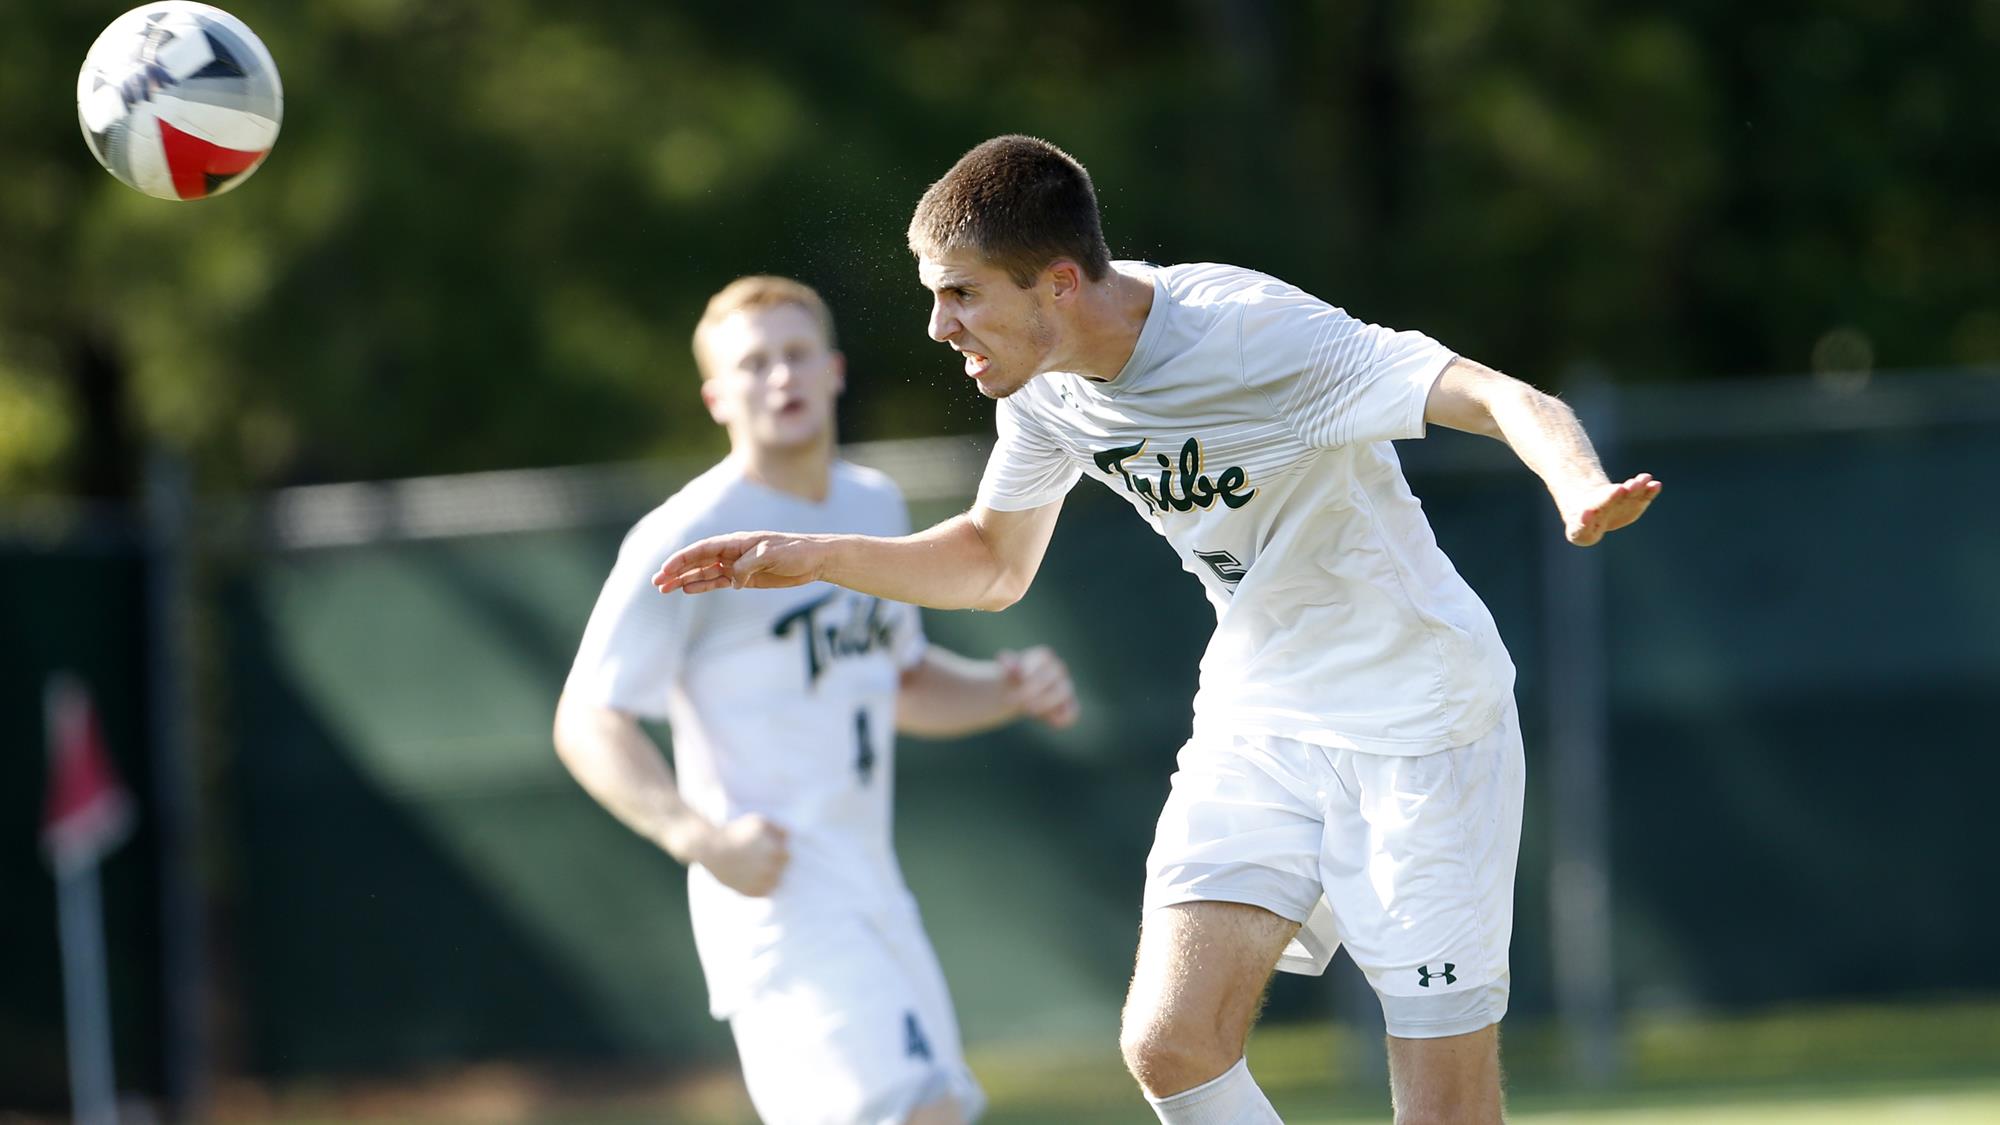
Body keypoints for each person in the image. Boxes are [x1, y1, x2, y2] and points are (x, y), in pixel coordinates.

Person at [653, 138, 1661, 1124]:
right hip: (1259, 718)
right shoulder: (1044, 392)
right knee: (1170, 1045)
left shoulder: (1249, 332)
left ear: (1054, 283)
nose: (936, 325)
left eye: (959, 293)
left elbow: (1494, 394)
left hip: (1424, 722)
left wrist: (1576, 483)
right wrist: (810, 554)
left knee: (1441, 1109)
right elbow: (990, 564)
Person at [554, 275, 1079, 1125]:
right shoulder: (687, 529)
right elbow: (588, 717)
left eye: (796, 354)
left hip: (872, 885)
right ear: (717, 396)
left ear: (834, 370)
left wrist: (1004, 689)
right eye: (753, 363)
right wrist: (698, 837)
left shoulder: (871, 503)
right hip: (778, 899)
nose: (780, 377)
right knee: (923, 1113)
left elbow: (896, 679)